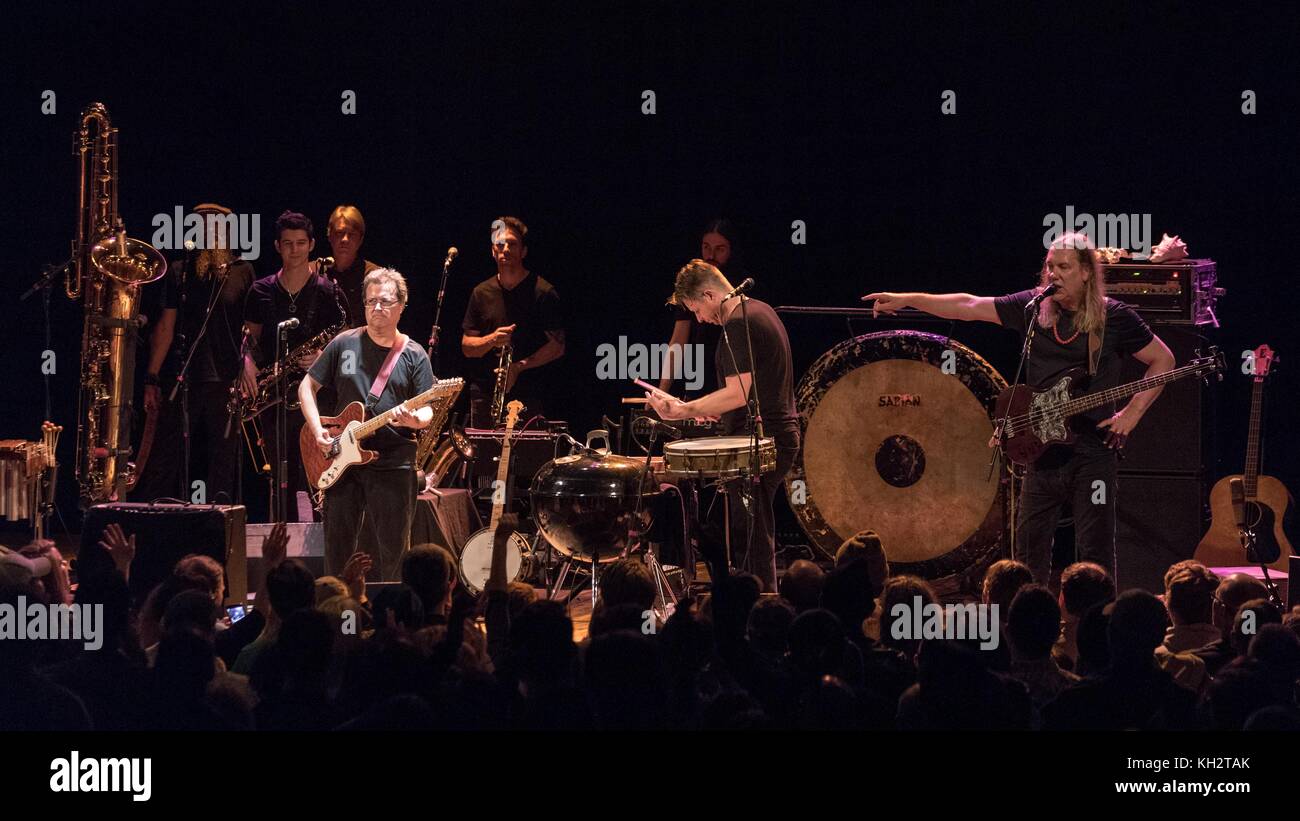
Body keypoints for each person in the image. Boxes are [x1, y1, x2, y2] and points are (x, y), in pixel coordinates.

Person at [865, 233, 1175, 583]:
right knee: (1028, 553)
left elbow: (1163, 359)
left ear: (1087, 272)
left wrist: (1132, 413)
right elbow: (968, 306)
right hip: (1039, 450)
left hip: (1092, 451)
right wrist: (908, 300)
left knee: (1095, 554)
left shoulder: (1114, 317)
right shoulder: (1032, 309)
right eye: (1049, 266)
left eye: (1063, 267)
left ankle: (1093, 627)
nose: (1053, 274)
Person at [648, 259, 800, 592]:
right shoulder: (760, 310)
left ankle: (759, 607)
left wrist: (683, 410)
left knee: (751, 535)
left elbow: (738, 392)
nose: (700, 318)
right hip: (775, 434)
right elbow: (754, 391)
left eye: (696, 309)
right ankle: (759, 603)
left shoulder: (738, 324)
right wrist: (713, 412)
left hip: (762, 442)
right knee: (753, 531)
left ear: (708, 293)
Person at [300, 268, 435, 581]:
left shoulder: (414, 355)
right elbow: (307, 386)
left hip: (393, 462)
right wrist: (317, 428)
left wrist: (414, 419)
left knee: (393, 551)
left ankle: (391, 619)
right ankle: (337, 616)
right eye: (371, 301)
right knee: (337, 549)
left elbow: (427, 408)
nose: (377, 307)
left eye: (386, 302)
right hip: (341, 459)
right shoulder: (343, 343)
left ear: (402, 306)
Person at [133, 202, 253, 504]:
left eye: (217, 225)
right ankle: (155, 523)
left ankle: (219, 527)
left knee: (223, 462)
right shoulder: (180, 271)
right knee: (166, 456)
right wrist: (151, 376)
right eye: (202, 225)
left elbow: (252, 330)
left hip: (226, 379)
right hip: (183, 377)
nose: (210, 231)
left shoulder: (243, 271)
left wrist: (249, 365)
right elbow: (166, 327)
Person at [242, 210, 347, 521]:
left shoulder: (329, 291)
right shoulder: (260, 290)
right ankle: (282, 538)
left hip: (319, 397)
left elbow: (347, 346)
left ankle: (323, 540)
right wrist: (246, 360)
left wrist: (322, 359)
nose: (295, 250)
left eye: (301, 243)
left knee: (320, 472)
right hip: (274, 396)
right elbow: (248, 337)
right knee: (281, 477)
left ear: (312, 244)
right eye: (288, 243)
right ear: (277, 246)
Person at [460, 216, 564, 427]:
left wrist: (517, 368)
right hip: (485, 394)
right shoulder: (480, 292)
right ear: (492, 251)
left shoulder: (543, 292)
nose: (505, 249)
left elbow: (558, 347)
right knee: (484, 458)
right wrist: (491, 340)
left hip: (528, 394)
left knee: (525, 457)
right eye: (499, 244)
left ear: (523, 251)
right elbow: (467, 347)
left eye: (512, 244)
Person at [657, 219, 740, 396]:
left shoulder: (743, 285)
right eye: (706, 247)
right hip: (701, 374)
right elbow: (678, 341)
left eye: (720, 249)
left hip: (735, 374)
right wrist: (662, 390)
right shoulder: (693, 285)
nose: (710, 255)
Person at [323, 204, 380, 327]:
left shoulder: (375, 275)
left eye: (352, 234)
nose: (345, 239)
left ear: (361, 240)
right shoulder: (313, 270)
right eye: (339, 233)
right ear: (329, 235)